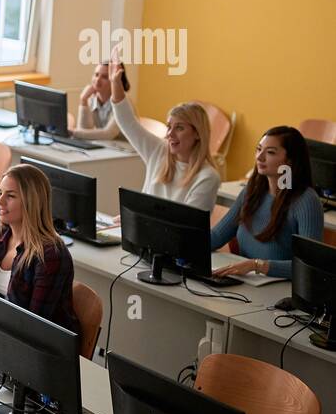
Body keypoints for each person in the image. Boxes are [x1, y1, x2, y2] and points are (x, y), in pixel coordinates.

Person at [210, 127, 324, 278]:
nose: (260, 157)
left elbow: (309, 265)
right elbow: (218, 235)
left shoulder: (306, 201)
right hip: (248, 282)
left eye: (270, 152)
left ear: (290, 160)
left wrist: (256, 265)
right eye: (258, 149)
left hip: (280, 289)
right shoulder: (251, 191)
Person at [109, 64, 221, 210]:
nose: (170, 134)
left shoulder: (208, 177)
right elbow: (127, 122)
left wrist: (137, 216)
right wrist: (115, 82)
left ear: (197, 134)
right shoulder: (159, 150)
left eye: (179, 128)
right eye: (169, 127)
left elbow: (186, 225)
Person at [0, 164, 81, 333]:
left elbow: (36, 324)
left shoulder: (51, 254)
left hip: (40, 345)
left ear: (31, 203)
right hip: (2, 331)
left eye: (11, 196)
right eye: (0, 193)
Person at [73, 59, 129, 141]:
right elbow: (85, 131)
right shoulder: (92, 99)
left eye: (104, 77)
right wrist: (83, 101)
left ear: (115, 80)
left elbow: (108, 134)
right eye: (96, 75)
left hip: (128, 151)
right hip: (108, 148)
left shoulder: (123, 102)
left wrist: (73, 132)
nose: (97, 80)